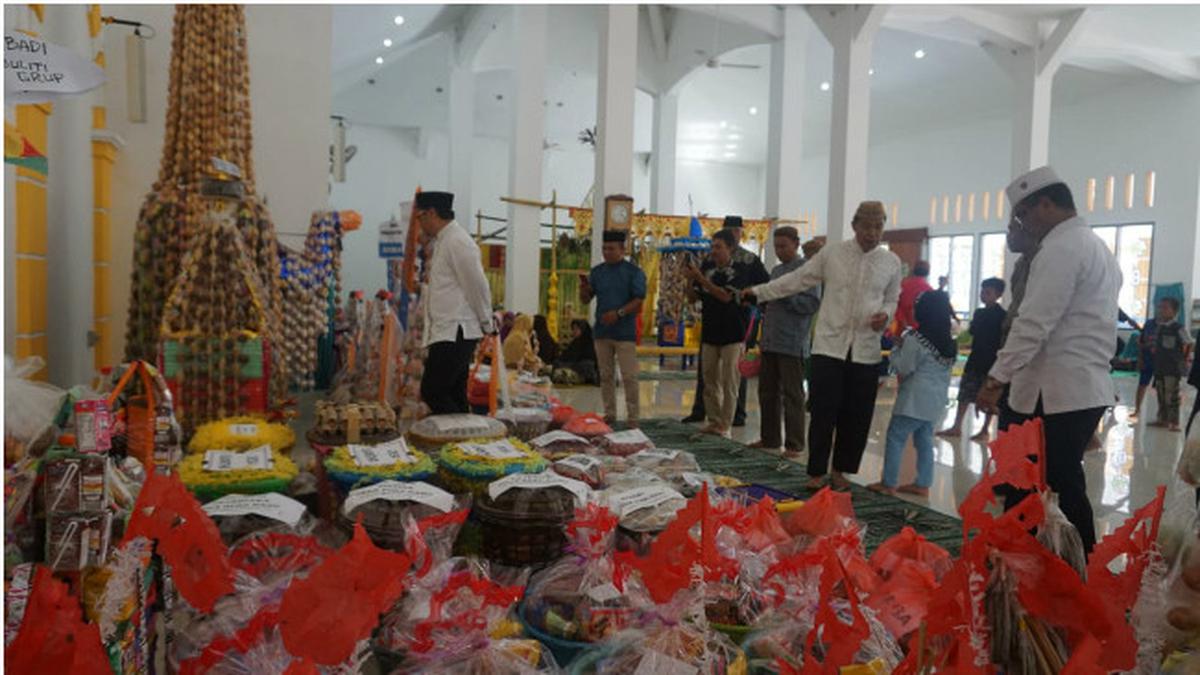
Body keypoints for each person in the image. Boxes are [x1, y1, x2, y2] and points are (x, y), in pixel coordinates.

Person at [977, 166, 1121, 554]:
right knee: (1042, 485)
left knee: (1053, 486)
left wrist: (994, 380)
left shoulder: (1061, 248)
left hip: (1056, 391)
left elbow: (1034, 323)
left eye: (1023, 214)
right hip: (1078, 388)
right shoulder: (1095, 246)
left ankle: (1076, 574)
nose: (1022, 223)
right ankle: (1034, 565)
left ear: (1044, 205)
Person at [741, 201, 903, 490]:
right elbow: (797, 280)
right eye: (866, 226)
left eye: (878, 226)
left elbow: (892, 298)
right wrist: (758, 293)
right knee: (823, 412)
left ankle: (841, 471)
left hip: (866, 350)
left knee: (857, 416)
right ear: (855, 226)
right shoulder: (833, 254)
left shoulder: (890, 262)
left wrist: (886, 315)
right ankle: (816, 472)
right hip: (829, 348)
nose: (872, 233)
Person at [682, 216, 770, 426]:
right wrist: (690, 279)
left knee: (732, 379)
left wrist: (752, 302)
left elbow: (763, 287)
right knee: (708, 377)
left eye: (735, 231)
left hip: (737, 326)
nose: (715, 249)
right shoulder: (709, 262)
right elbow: (695, 294)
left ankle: (732, 418)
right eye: (728, 230)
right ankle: (708, 416)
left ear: (740, 234)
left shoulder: (747, 261)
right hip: (711, 327)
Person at [869, 290, 956, 497]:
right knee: (924, 440)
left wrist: (895, 350)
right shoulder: (949, 342)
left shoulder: (916, 338)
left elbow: (903, 367)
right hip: (935, 401)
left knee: (895, 437)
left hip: (913, 400)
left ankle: (888, 482)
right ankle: (923, 483)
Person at [416, 191, 495, 414]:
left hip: (456, 330)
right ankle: (463, 442)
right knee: (453, 393)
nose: (420, 224)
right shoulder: (445, 240)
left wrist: (487, 322)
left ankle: (457, 436)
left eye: (420, 217)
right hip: (447, 329)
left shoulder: (458, 241)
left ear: (432, 213)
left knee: (433, 390)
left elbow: (477, 285)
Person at [750, 226, 822, 458]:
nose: (779, 251)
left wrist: (785, 295)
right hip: (771, 339)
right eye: (776, 246)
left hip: (792, 341)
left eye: (783, 246)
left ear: (796, 244)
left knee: (793, 395)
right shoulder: (777, 270)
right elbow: (770, 300)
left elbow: (811, 304)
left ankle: (794, 444)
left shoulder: (808, 271)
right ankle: (770, 438)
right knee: (767, 391)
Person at [580, 230, 646, 426]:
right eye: (604, 248)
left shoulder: (634, 272)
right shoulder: (598, 272)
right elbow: (585, 299)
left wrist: (618, 314)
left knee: (629, 376)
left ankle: (633, 417)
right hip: (602, 332)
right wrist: (583, 289)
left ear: (622, 249)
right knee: (606, 376)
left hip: (624, 333)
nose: (607, 252)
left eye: (611, 248)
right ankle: (609, 414)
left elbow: (639, 301)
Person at [938, 277, 1007, 440]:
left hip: (991, 361)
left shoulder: (1002, 316)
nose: (983, 295)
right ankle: (957, 426)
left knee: (989, 397)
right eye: (982, 291)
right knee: (964, 393)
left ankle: (985, 429)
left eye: (987, 292)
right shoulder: (979, 313)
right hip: (976, 359)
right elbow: (972, 333)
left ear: (998, 295)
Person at [1147, 297, 1194, 432]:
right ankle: (1162, 419)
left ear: (1174, 312)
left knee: (1171, 395)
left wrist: (1183, 359)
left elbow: (1189, 343)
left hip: (1172, 368)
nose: (1162, 310)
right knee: (1161, 394)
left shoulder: (1178, 328)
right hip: (1160, 366)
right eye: (1160, 307)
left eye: (1165, 308)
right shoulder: (1160, 327)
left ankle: (1174, 422)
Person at [553, 319, 599, 385]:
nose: (574, 331)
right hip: (573, 366)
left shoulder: (590, 343)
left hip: (584, 370)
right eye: (573, 329)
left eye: (577, 329)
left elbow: (589, 362)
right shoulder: (574, 343)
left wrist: (568, 364)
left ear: (583, 329)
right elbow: (565, 356)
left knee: (586, 365)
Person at [896, 261, 933, 332]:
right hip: (920, 329)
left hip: (901, 326)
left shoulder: (903, 285)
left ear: (913, 270)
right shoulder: (929, 290)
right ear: (928, 272)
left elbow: (896, 305)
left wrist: (902, 320)